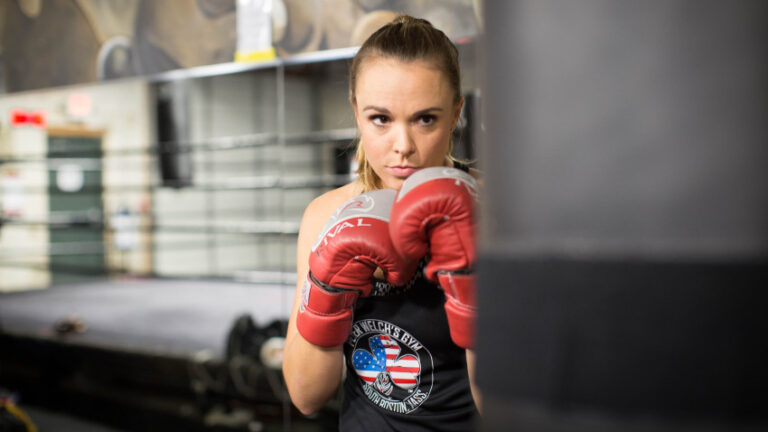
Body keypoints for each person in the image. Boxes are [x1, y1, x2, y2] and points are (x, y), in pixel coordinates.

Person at [282, 15, 480, 430]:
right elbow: (306, 395)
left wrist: (477, 296)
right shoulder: (325, 216)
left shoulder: (490, 212)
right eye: (381, 119)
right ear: (357, 112)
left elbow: (507, 410)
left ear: (455, 113)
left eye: (425, 119)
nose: (403, 146)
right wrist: (326, 291)